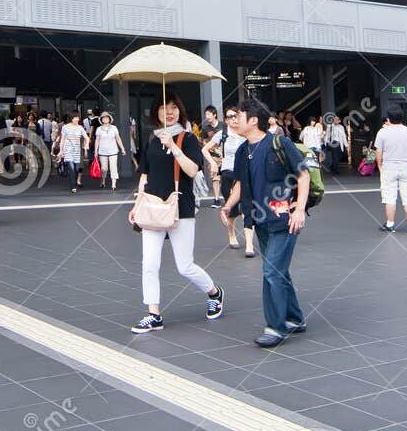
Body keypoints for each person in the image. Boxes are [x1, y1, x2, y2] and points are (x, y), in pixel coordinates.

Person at [128, 96, 224, 334]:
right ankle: (153, 314)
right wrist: (137, 203)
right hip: (152, 207)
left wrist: (173, 146)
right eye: (163, 108)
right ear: (156, 112)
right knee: (149, 263)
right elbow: (144, 174)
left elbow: (192, 170)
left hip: (181, 206)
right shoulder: (151, 139)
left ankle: (214, 292)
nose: (169, 113)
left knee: (185, 266)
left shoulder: (188, 138)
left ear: (180, 112)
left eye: (173, 108)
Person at [220, 97, 309, 348]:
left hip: (285, 219)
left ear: (254, 120)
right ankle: (295, 318)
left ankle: (275, 327)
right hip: (260, 220)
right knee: (279, 270)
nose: (234, 120)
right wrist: (228, 205)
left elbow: (302, 175)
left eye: (238, 116)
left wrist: (299, 209)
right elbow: (239, 183)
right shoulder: (242, 150)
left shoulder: (280, 143)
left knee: (271, 271)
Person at [373, 106, 407, 233]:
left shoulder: (382, 132)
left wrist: (380, 165)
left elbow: (379, 151)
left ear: (389, 118)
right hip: (406, 166)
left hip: (389, 167)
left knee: (389, 197)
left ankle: (390, 224)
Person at [217, 111, 257, 255]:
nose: (234, 119)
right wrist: (213, 162)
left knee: (247, 208)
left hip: (244, 174)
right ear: (226, 120)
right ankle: (232, 235)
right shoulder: (223, 134)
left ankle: (249, 245)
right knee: (233, 211)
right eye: (230, 117)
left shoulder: (245, 136)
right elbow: (205, 149)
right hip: (228, 173)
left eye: (236, 116)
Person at [93, 111, 125, 188]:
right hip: (102, 151)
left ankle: (113, 184)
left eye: (107, 118)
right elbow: (97, 140)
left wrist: (122, 148)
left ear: (110, 119)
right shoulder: (99, 129)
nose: (105, 119)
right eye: (103, 118)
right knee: (104, 168)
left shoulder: (114, 128)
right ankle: (103, 180)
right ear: (101, 120)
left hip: (113, 150)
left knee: (113, 167)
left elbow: (118, 138)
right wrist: (96, 151)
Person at [58, 111, 87, 194]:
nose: (76, 119)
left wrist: (86, 145)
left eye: (78, 117)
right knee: (71, 168)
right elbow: (62, 139)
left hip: (77, 150)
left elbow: (86, 138)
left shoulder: (80, 128)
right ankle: (73, 186)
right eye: (75, 117)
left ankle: (74, 182)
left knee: (77, 168)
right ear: (71, 118)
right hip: (68, 150)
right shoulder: (65, 127)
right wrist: (61, 150)